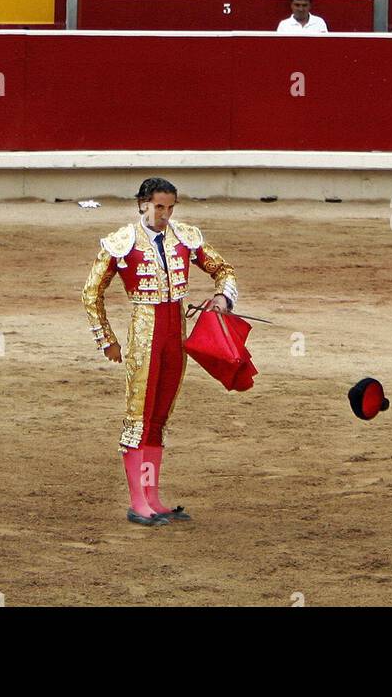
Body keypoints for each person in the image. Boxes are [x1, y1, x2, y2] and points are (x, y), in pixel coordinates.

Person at [82, 175, 237, 525]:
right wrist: (106, 339)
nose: (164, 214)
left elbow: (223, 270)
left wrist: (222, 296)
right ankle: (138, 502)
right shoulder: (121, 242)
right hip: (144, 333)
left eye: (170, 207)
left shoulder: (185, 237)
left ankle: (153, 497)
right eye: (158, 207)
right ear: (143, 204)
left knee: (159, 418)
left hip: (175, 334)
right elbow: (91, 293)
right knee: (140, 417)